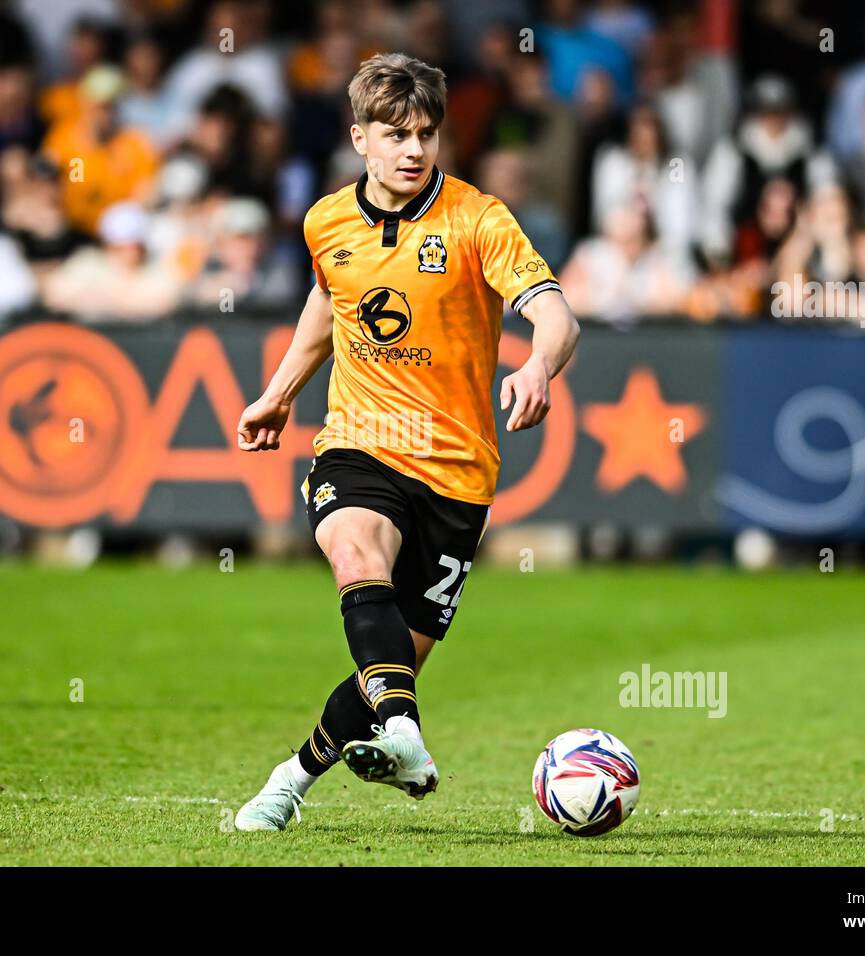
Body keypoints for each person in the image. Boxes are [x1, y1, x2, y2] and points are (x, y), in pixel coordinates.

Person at [231, 53, 580, 830]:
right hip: (360, 441)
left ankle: (289, 779)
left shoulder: (478, 218)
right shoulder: (326, 220)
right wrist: (279, 393)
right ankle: (407, 737)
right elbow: (328, 305)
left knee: (387, 671)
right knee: (355, 556)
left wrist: (538, 364)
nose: (414, 149)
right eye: (396, 133)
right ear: (360, 137)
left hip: (458, 471)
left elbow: (557, 313)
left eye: (426, 133)